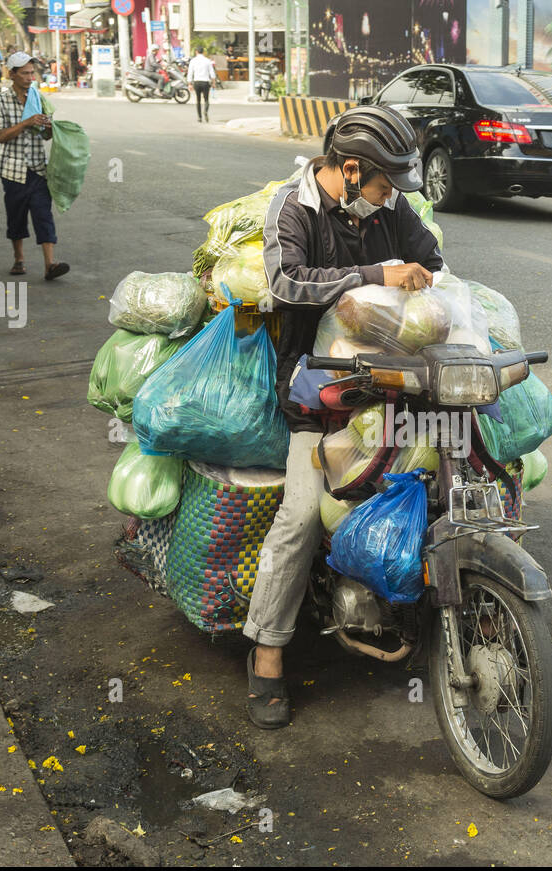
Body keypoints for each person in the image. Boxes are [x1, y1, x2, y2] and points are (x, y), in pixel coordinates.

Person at [245, 105, 441, 729]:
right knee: (302, 514)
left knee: (455, 477)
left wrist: (424, 291)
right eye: (384, 185)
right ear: (351, 171)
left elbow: (431, 260)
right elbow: (285, 285)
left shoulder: (390, 206)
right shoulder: (292, 207)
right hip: (318, 392)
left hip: (396, 384)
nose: (391, 200)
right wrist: (371, 278)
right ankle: (268, 652)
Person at [0, 52, 69, 281]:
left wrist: (51, 128)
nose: (30, 77)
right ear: (12, 75)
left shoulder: (39, 98)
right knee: (16, 217)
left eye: (32, 72)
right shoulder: (0, 101)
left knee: (44, 215)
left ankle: (50, 264)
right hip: (12, 170)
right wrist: (26, 123)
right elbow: (1, 136)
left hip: (38, 168)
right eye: (24, 73)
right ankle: (19, 259)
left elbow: (45, 137)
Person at [186, 48, 216, 122]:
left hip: (197, 82)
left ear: (196, 52)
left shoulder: (193, 61)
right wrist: (213, 82)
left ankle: (199, 117)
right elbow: (212, 73)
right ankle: (205, 111)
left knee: (198, 100)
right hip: (205, 82)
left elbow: (190, 73)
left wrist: (189, 83)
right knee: (206, 99)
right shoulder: (207, 61)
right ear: (203, 52)